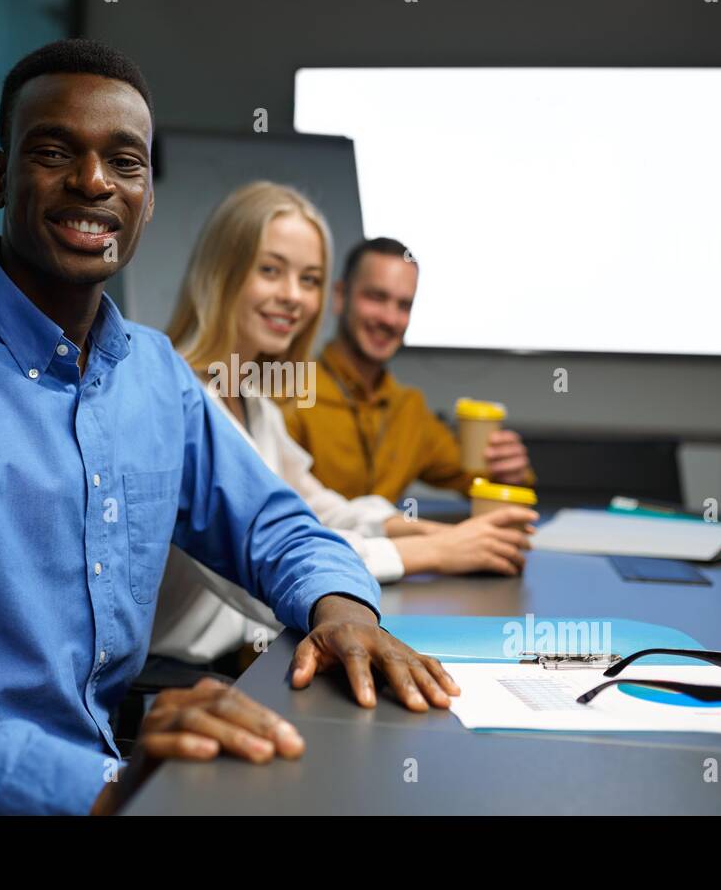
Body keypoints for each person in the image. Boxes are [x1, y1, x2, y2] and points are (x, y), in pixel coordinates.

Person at [0, 40, 459, 818]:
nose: (93, 181)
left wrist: (344, 612)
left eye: (125, 162)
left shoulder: (154, 374)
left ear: (149, 198)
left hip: (118, 776)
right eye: (54, 151)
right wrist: (89, 788)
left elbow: (278, 527)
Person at [152, 183, 537, 665]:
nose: (293, 297)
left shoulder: (254, 402)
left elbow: (316, 512)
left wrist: (435, 535)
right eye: (271, 270)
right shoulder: (176, 398)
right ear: (222, 272)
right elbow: (265, 561)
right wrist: (439, 552)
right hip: (195, 675)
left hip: (253, 656)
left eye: (308, 279)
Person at [284, 237, 535, 503]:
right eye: (376, 297)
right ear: (339, 296)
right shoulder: (289, 395)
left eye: (404, 305)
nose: (390, 319)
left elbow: (476, 481)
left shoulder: (408, 410)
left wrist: (509, 472)